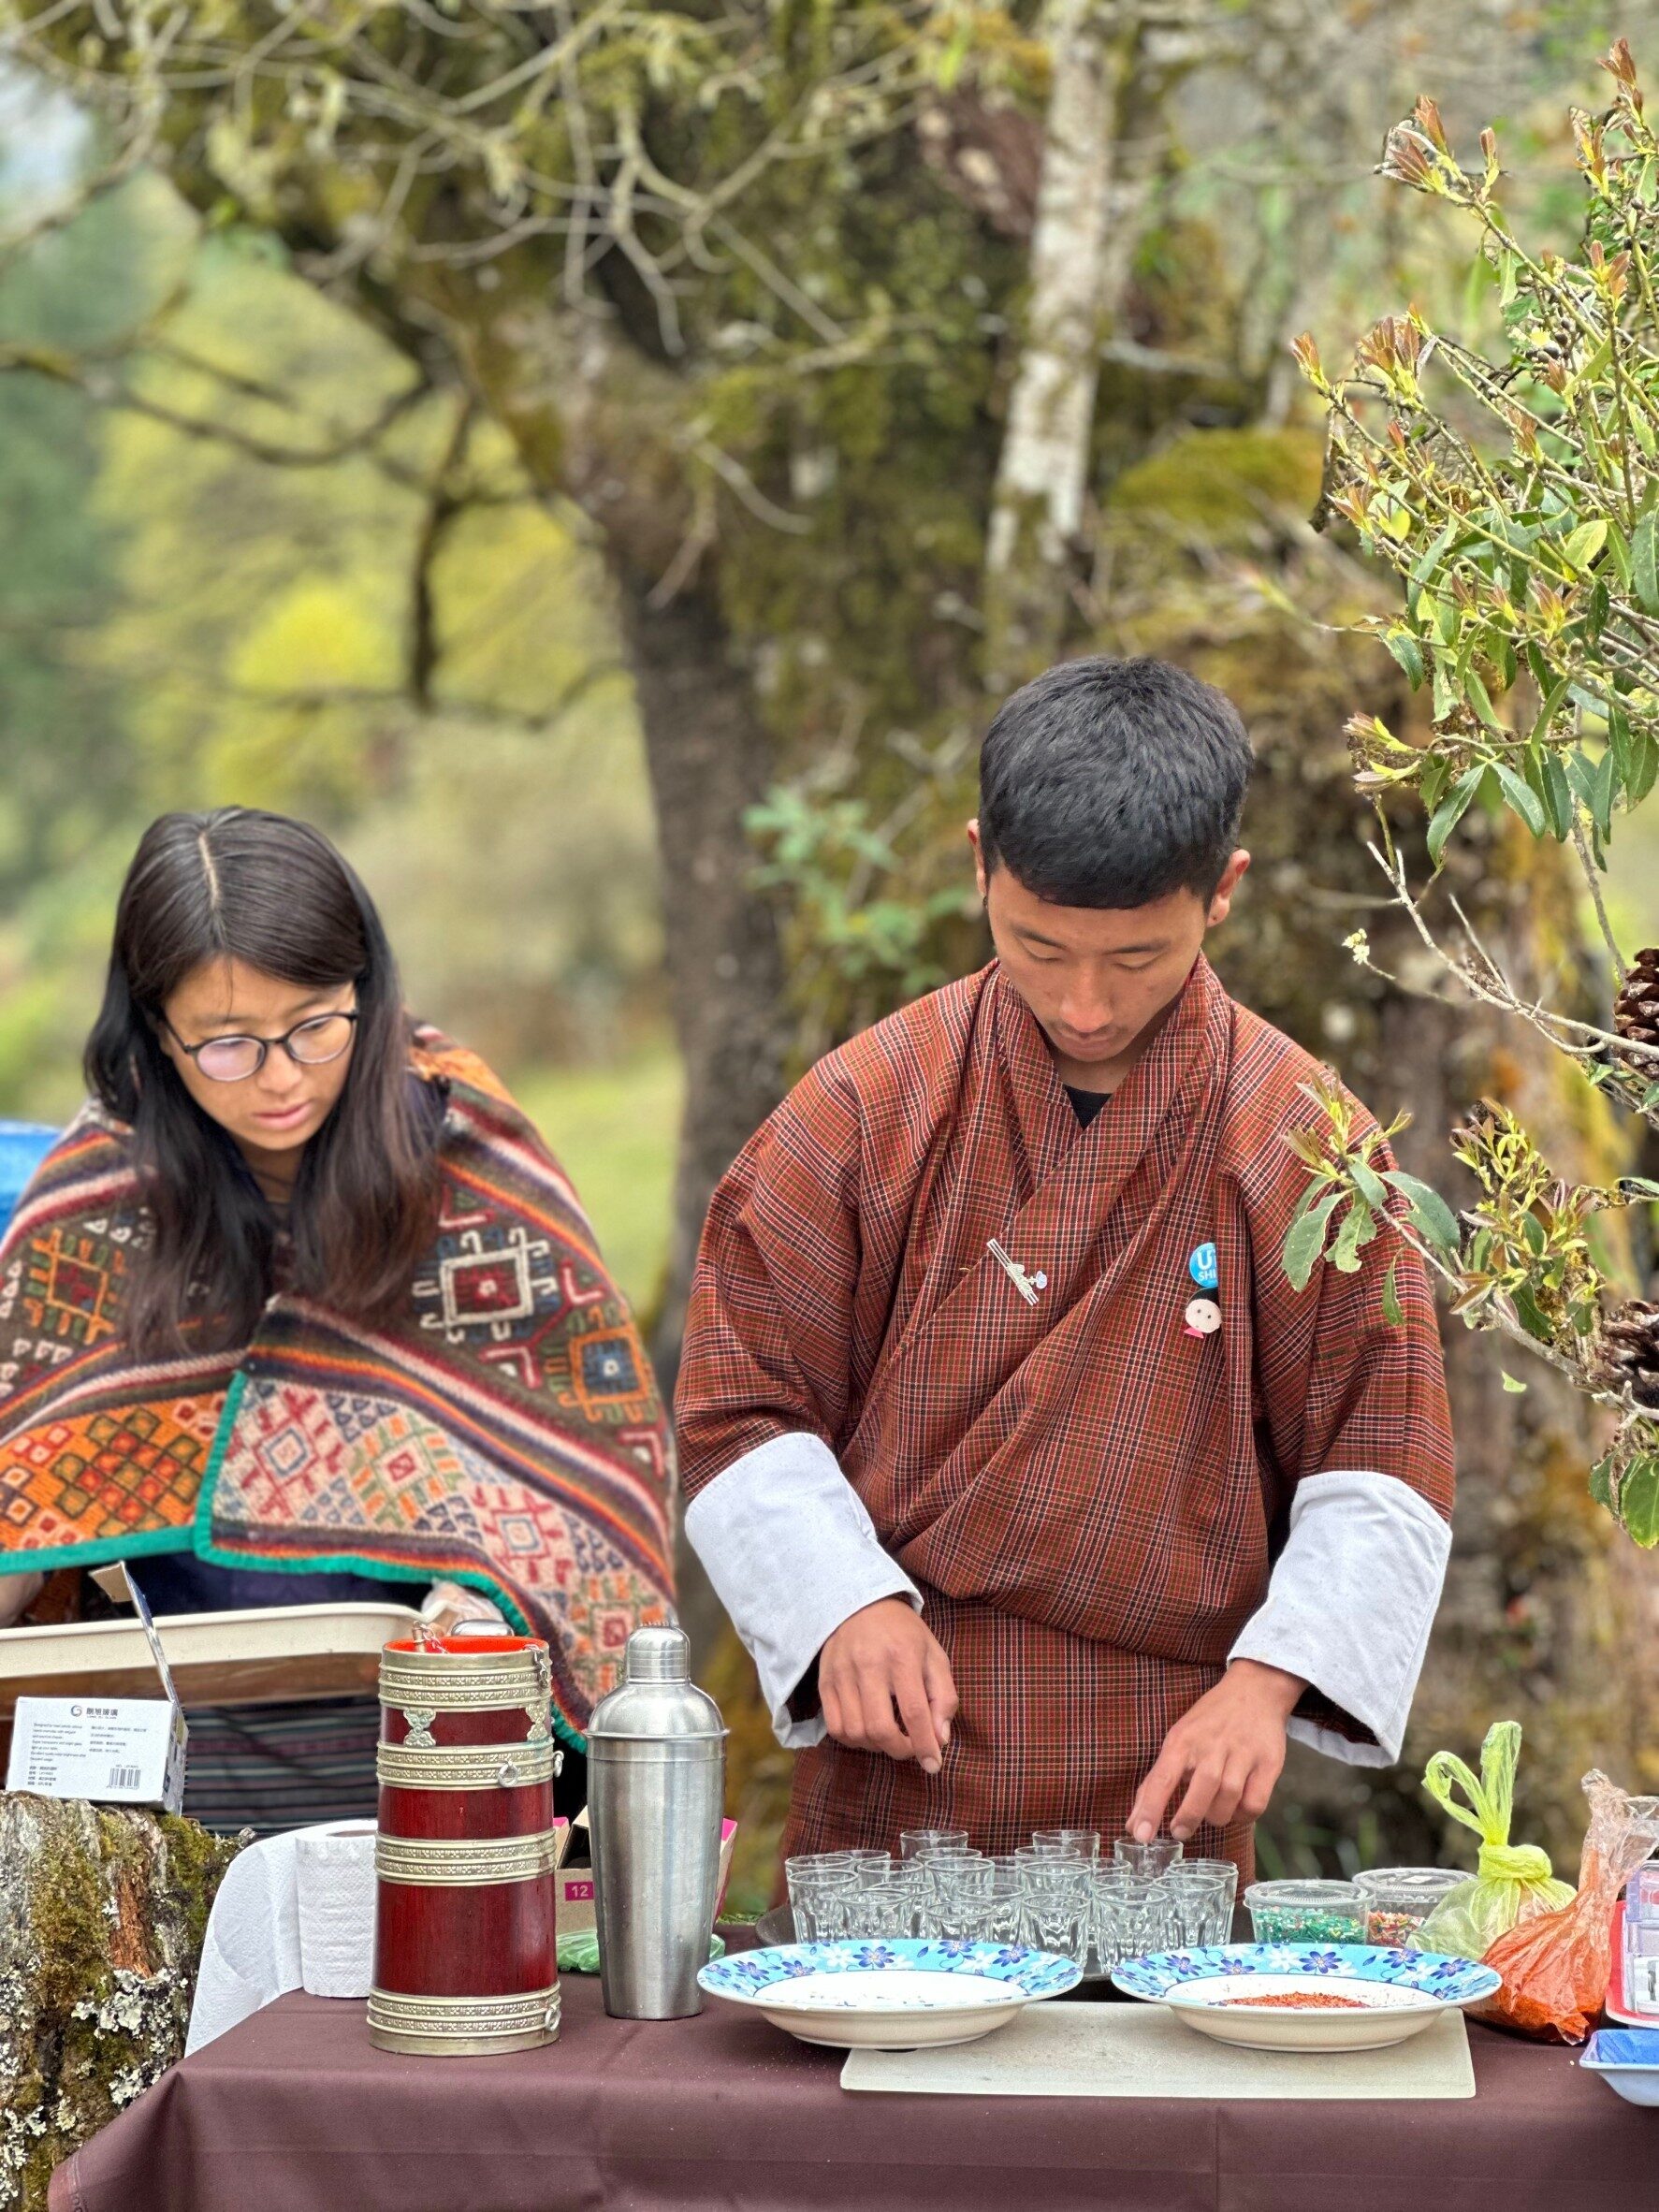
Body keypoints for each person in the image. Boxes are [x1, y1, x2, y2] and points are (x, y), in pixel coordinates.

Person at [676, 656, 1454, 1875]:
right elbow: (741, 1404)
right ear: (978, 862)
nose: (1084, 1005)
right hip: (898, 1753)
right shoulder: (865, 1110)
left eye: (1135, 960)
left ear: (1224, 892)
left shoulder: (1304, 1141)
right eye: (1038, 945)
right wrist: (844, 1604)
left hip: (1172, 1773)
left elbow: (1381, 1457)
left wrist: (1264, 1685)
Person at [0, 808, 673, 1833]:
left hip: (433, 1759)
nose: (280, 1077)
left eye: (315, 1025)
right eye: (226, 1044)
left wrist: (491, 1611)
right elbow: (25, 1481)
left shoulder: (465, 1162)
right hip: (168, 1783)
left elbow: (594, 1477)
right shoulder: (97, 1200)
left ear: (368, 988)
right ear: (154, 1030)